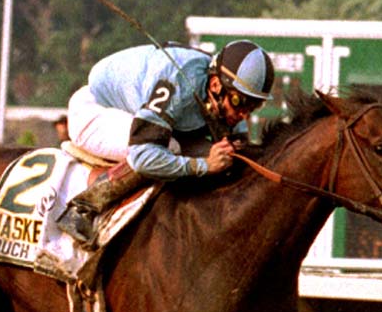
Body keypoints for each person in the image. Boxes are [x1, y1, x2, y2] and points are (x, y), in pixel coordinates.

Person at [57, 38, 274, 244]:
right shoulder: (177, 82)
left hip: (137, 113)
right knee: (169, 149)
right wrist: (204, 166)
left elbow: (238, 149)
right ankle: (83, 207)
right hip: (96, 111)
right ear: (216, 84)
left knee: (221, 154)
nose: (244, 114)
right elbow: (143, 156)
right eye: (239, 102)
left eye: (254, 106)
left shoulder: (222, 94)